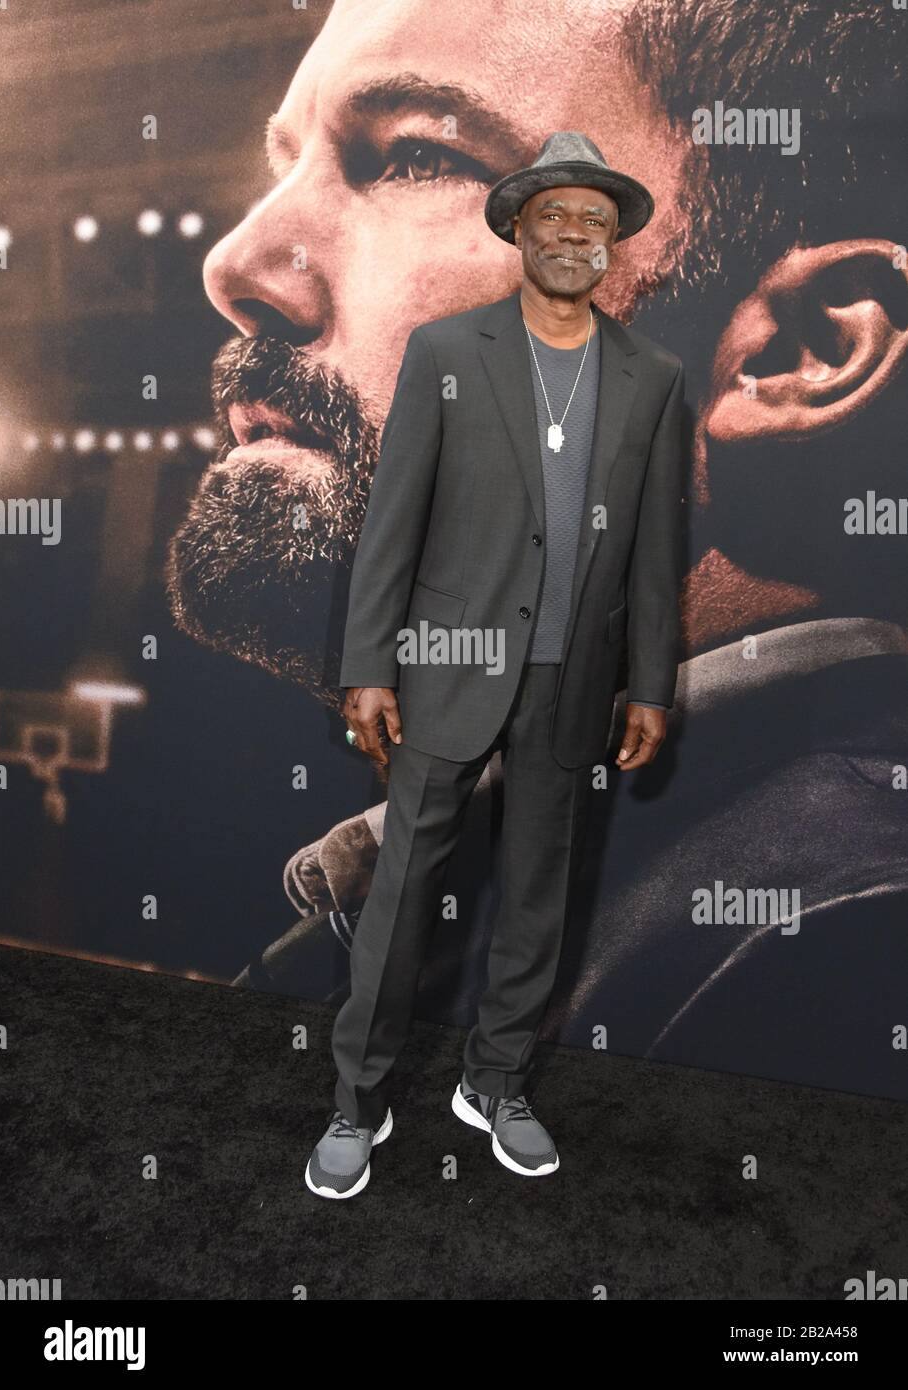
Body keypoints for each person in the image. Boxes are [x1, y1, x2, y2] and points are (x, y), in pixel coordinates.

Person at [304, 133, 686, 1198]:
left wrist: (649, 680)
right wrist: (368, 663)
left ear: (614, 244)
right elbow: (393, 521)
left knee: (534, 896)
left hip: (574, 678)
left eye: (593, 222)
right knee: (401, 896)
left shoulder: (650, 378)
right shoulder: (444, 351)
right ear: (518, 228)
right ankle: (354, 1103)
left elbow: (657, 542)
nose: (572, 236)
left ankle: (498, 1083)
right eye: (553, 217)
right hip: (445, 667)